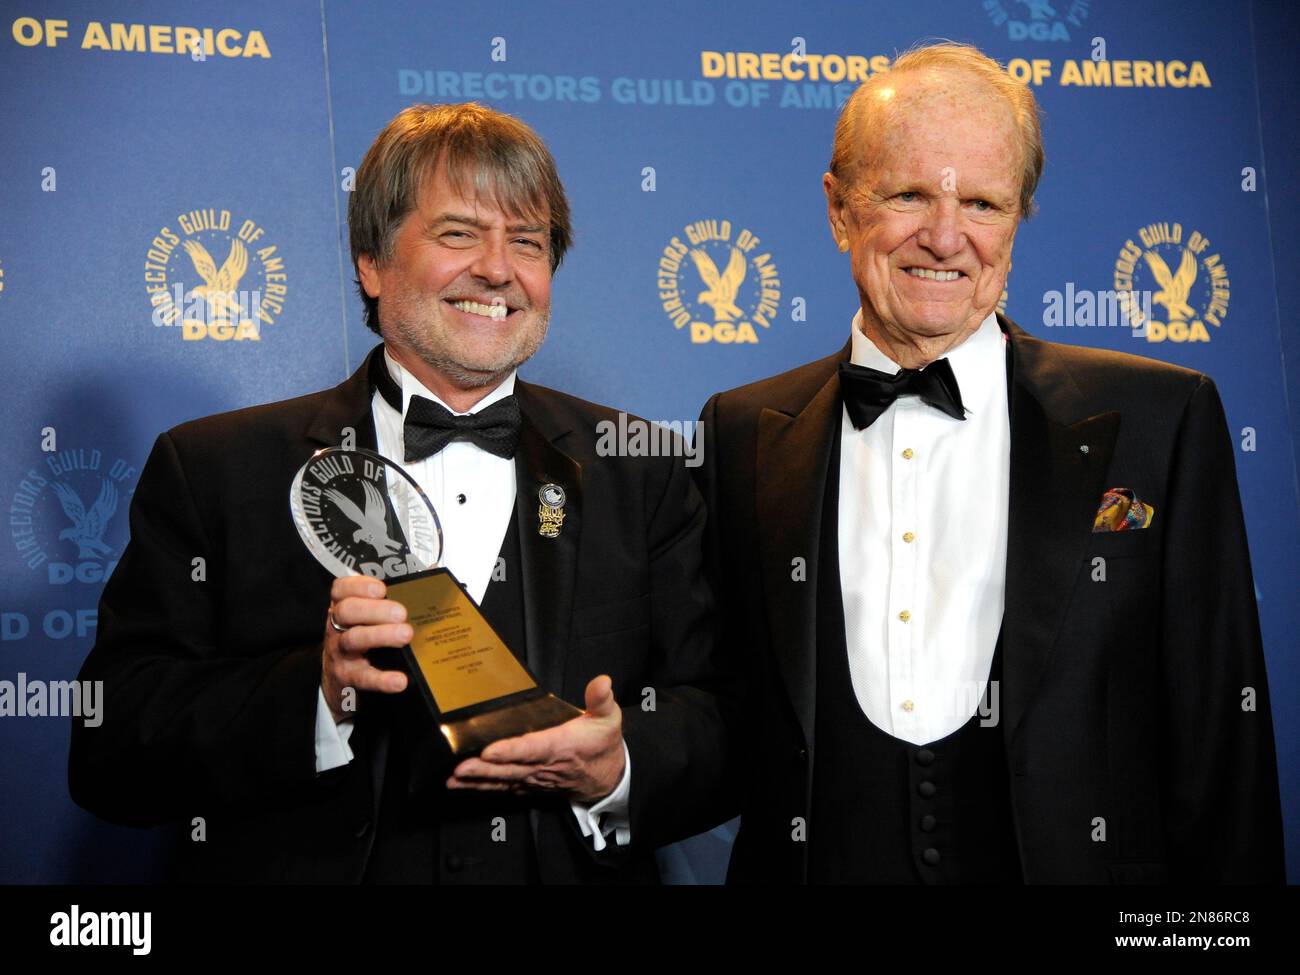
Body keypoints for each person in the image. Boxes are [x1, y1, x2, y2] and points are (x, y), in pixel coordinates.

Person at [70, 103, 728, 883]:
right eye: (458, 233)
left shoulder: (644, 468)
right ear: (372, 262)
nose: (497, 268)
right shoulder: (215, 468)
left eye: (528, 240)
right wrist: (317, 695)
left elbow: (723, 715)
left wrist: (617, 764)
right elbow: (111, 746)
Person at [694, 42, 1284, 884]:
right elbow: (716, 719)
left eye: (981, 201)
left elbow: (1221, 747)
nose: (945, 235)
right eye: (906, 195)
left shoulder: (1159, 420)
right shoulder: (743, 429)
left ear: (1018, 220)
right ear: (837, 209)